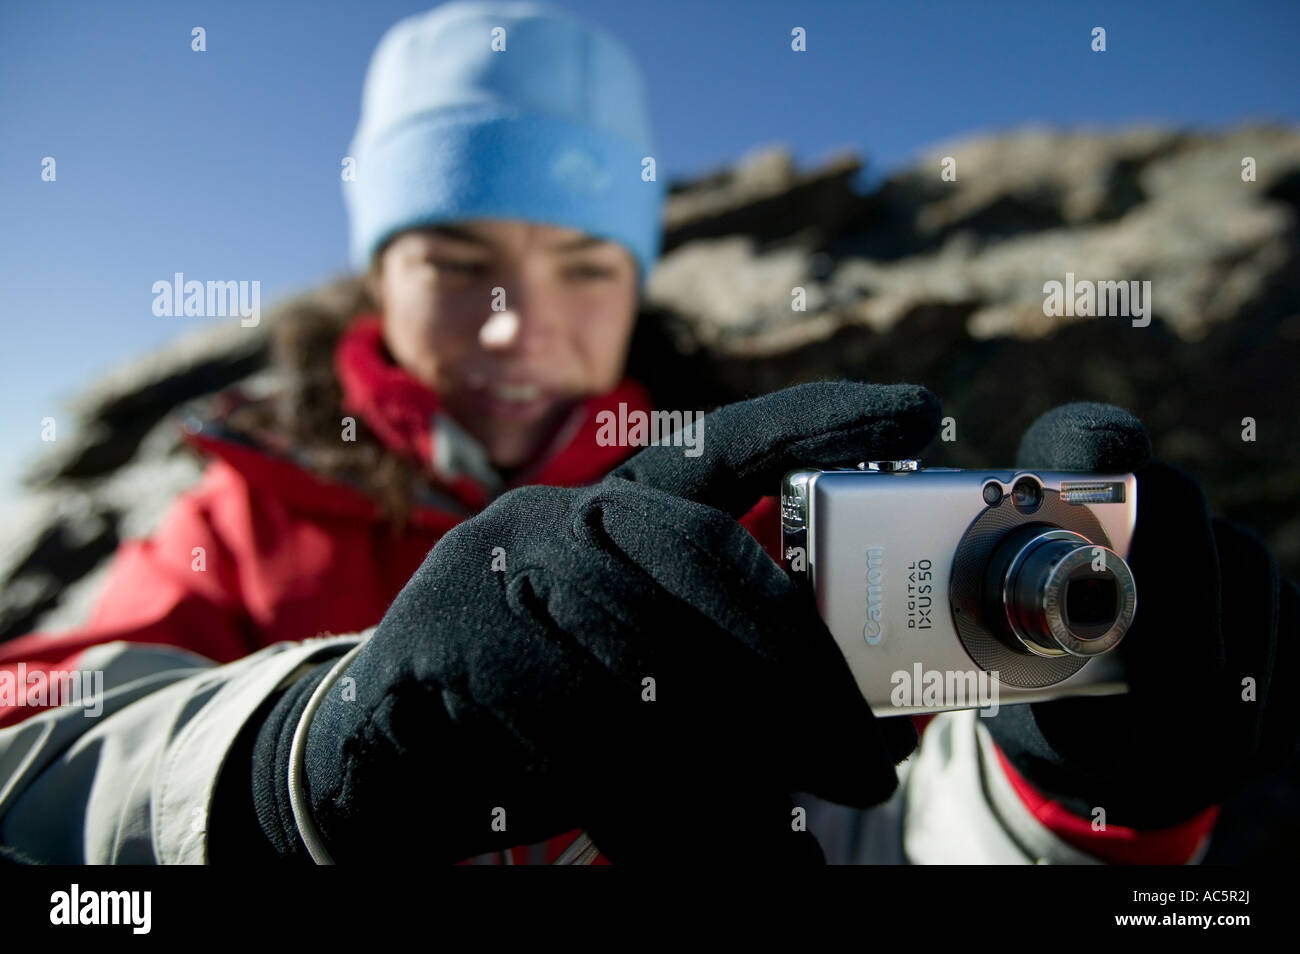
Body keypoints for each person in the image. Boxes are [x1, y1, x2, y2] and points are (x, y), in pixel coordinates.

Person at [0, 1, 1295, 866]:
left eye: (582, 266)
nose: (519, 327)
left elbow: (869, 829)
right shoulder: (236, 519)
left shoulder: (755, 487)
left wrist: (1063, 797)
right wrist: (304, 746)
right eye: (456, 262)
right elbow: (26, 753)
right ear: (374, 278)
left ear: (639, 283)